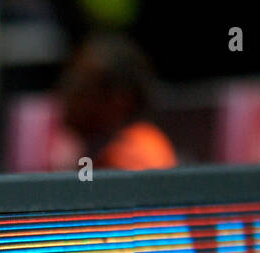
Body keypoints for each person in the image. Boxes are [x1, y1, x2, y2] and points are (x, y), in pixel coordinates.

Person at [58, 34, 176, 171]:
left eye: (81, 86)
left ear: (119, 100)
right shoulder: (96, 152)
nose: (67, 94)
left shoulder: (136, 153)